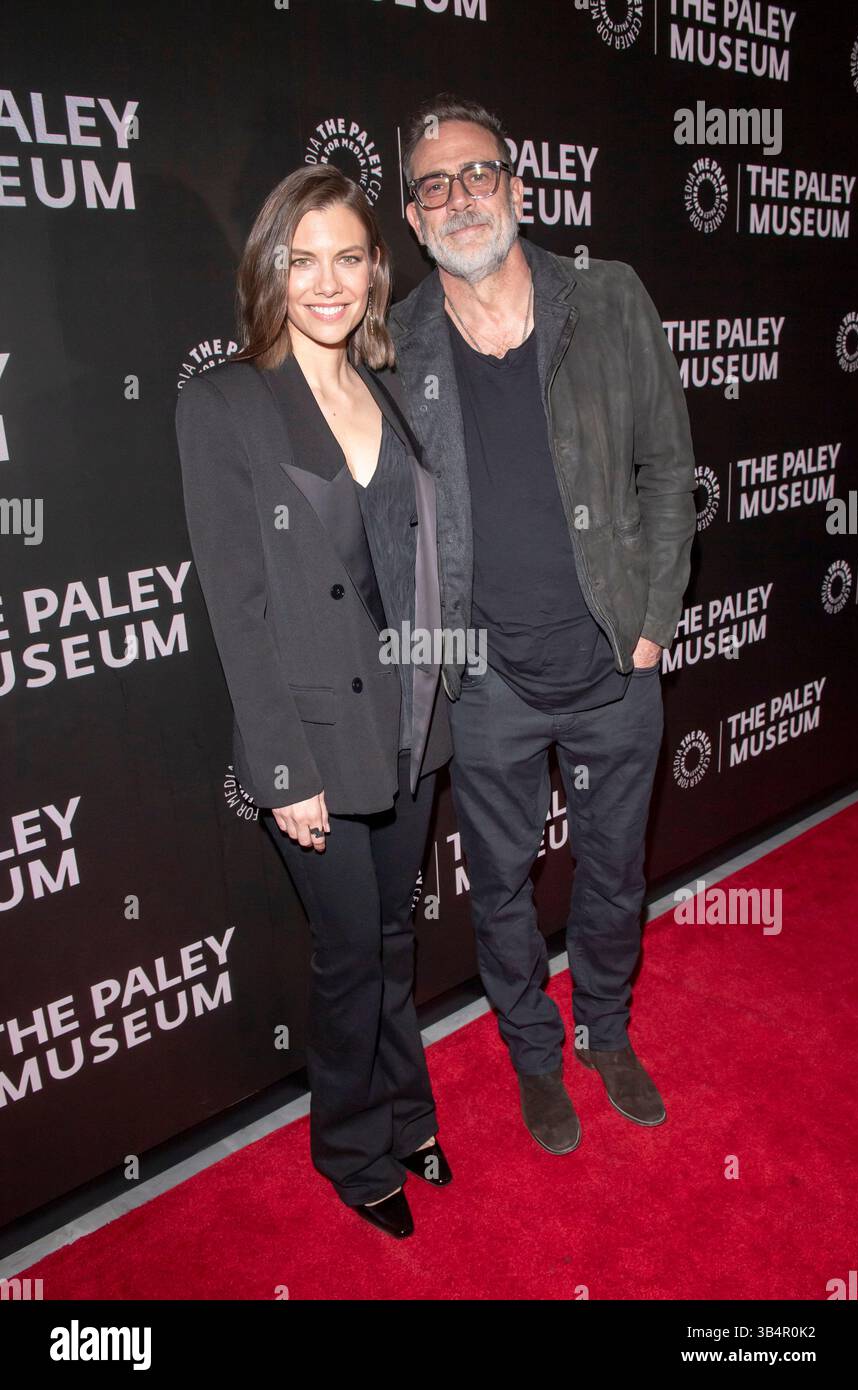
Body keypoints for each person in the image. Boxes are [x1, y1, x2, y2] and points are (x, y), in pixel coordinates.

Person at [377, 93, 697, 1154]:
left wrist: (652, 616)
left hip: (613, 662)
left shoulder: (604, 301)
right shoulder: (398, 341)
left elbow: (665, 467)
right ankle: (529, 1050)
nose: (460, 198)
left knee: (612, 866)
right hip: (489, 683)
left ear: (516, 188)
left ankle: (604, 1030)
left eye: (478, 175)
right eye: (434, 186)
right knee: (501, 880)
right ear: (414, 223)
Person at [175, 164, 453, 1238]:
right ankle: (351, 1147)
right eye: (303, 261)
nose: (327, 283)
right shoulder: (226, 402)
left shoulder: (385, 387)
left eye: (347, 258)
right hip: (314, 741)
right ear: (269, 270)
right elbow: (237, 608)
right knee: (348, 953)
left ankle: (407, 1111)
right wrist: (281, 767)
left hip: (408, 725)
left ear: (376, 271)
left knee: (392, 940)